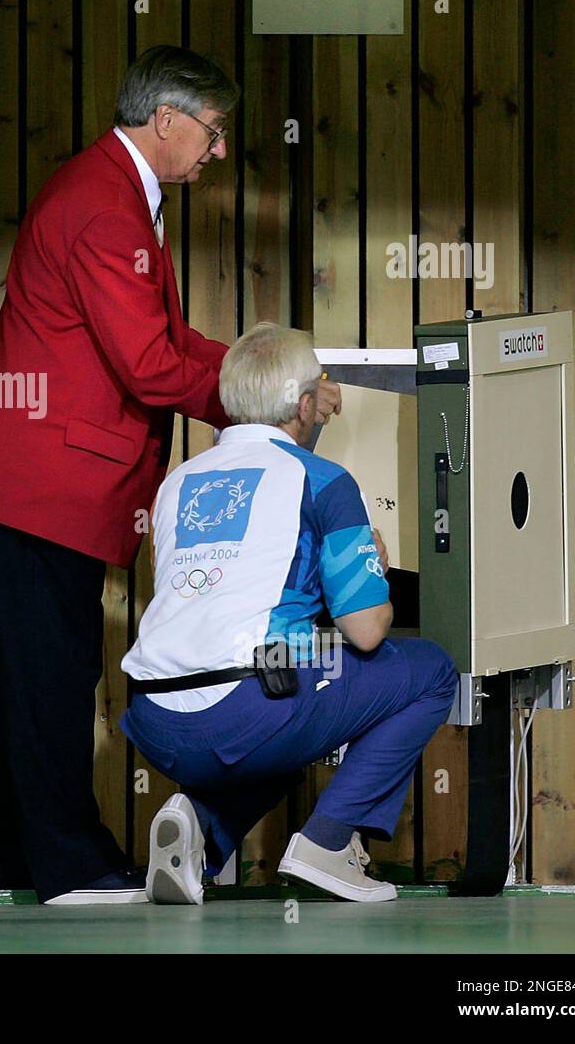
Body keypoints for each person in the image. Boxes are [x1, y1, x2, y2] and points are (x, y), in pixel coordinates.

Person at [0, 47, 341, 905]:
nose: (219, 150)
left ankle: (21, 863)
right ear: (167, 118)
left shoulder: (112, 195)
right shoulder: (104, 207)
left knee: (35, 678)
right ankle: (68, 866)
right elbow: (154, 365)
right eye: (214, 129)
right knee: (47, 678)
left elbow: (171, 348)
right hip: (47, 486)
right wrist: (272, 402)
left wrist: (253, 376)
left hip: (37, 483)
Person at [121, 322, 458, 904]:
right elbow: (368, 630)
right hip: (248, 705)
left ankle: (198, 832)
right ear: (305, 405)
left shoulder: (179, 482)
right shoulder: (323, 479)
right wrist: (366, 566)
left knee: (291, 707)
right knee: (429, 670)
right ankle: (327, 844)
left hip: (154, 713)